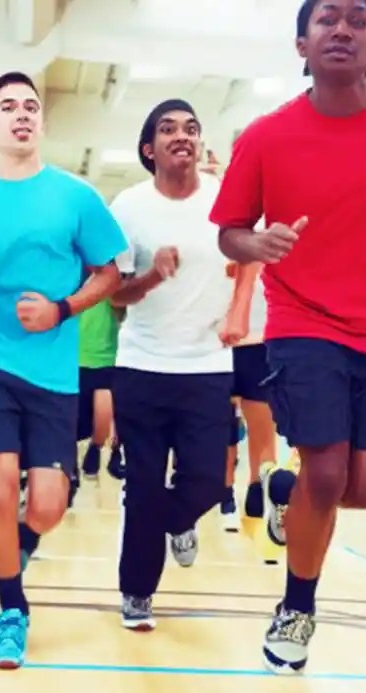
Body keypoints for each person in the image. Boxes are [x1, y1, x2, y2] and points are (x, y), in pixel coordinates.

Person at [209, 0, 366, 674]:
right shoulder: (265, 136)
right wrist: (257, 240)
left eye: (358, 20)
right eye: (327, 20)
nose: (343, 29)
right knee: (327, 469)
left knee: (365, 486)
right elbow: (229, 227)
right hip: (304, 320)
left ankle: (284, 492)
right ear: (301, 44)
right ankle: (297, 607)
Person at [0, 71, 125, 669]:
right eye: (9, 107)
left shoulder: (76, 198)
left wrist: (61, 309)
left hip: (53, 373)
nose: (23, 114)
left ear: (42, 122)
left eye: (32, 106)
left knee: (46, 503)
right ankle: (11, 609)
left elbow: (109, 274)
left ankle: (18, 544)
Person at [108, 99, 238, 629]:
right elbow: (116, 295)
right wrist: (154, 276)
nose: (180, 135)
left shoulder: (225, 200)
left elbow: (248, 255)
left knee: (209, 482)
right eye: (167, 129)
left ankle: (180, 518)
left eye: (190, 126)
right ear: (149, 149)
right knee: (142, 486)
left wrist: (239, 312)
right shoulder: (127, 207)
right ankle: (137, 592)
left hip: (208, 363)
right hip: (141, 364)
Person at [221, 259, 277, 532]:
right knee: (224, 425)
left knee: (262, 426)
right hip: (221, 340)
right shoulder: (220, 232)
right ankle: (225, 494)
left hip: (262, 340)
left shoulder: (275, 234)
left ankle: (258, 491)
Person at [76, 300, 125, 483]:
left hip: (107, 354)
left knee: (104, 405)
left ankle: (97, 448)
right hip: (76, 353)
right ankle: (83, 455)